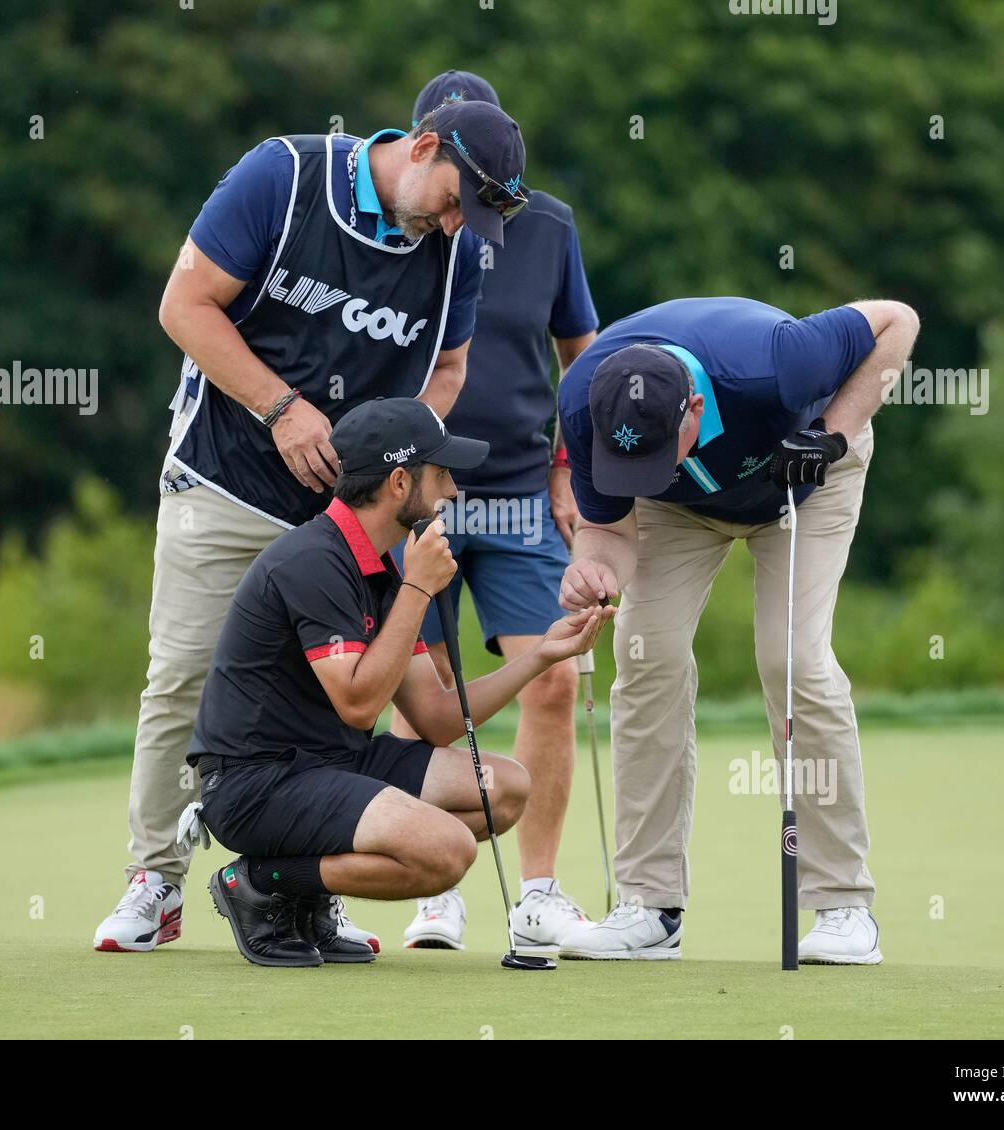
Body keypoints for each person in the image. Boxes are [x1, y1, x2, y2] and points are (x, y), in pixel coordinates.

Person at [94, 100, 530, 954]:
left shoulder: (456, 256)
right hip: (227, 475)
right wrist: (282, 409)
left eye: (474, 217)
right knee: (181, 675)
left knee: (344, 707)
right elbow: (185, 306)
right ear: (425, 147)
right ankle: (154, 878)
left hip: (346, 512)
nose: (456, 224)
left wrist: (390, 459)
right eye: (454, 200)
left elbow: (446, 370)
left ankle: (298, 892)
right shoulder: (283, 177)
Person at [557, 296, 920, 961]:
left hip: (804, 482)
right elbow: (606, 530)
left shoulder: (777, 364)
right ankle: (650, 906)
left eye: (658, 454)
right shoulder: (585, 401)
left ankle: (844, 907)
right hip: (681, 511)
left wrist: (831, 434)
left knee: (794, 661)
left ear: (694, 409)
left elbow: (897, 321)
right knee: (645, 654)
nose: (645, 470)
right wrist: (591, 570)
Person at [190, 399, 613, 967]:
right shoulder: (315, 562)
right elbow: (361, 704)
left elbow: (437, 718)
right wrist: (417, 589)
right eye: (442, 475)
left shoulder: (380, 564)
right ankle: (264, 883)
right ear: (398, 482)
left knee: (504, 787)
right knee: (446, 851)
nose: (454, 492)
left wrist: (541, 654)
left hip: (328, 764)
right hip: (256, 783)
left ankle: (306, 899)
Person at [389, 70, 601, 954]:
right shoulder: (397, 229)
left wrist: (569, 465)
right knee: (425, 695)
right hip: (418, 495)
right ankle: (434, 890)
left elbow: (583, 354)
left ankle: (541, 893)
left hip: (516, 488)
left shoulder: (546, 224)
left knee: (554, 673)